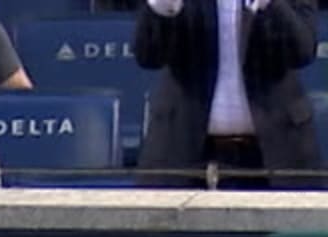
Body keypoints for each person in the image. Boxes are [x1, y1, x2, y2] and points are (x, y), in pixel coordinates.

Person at [135, 0, 322, 188]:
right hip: (183, 147)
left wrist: (270, 4)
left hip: (277, 150)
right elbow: (148, 57)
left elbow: (303, 51)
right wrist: (165, 8)